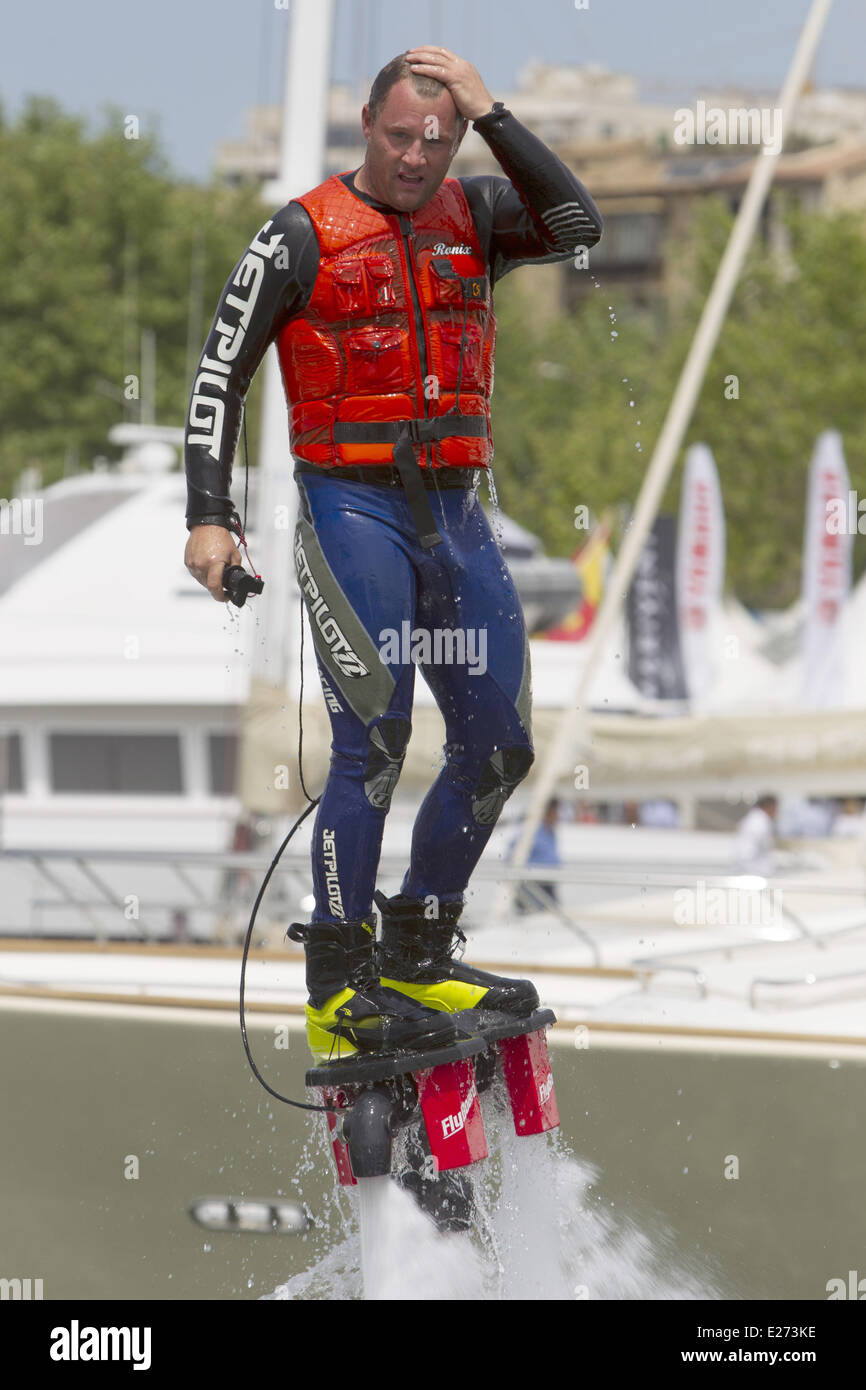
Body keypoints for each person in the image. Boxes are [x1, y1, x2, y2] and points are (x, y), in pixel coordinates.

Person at [183, 46, 603, 1062]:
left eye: (437, 138)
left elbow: (577, 223)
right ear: (363, 124)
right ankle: (337, 980)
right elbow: (218, 373)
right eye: (398, 135)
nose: (416, 156)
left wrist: (491, 110)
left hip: (455, 513)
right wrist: (210, 514)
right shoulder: (296, 234)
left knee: (498, 745)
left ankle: (419, 951)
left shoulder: (481, 213)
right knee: (370, 743)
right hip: (349, 507)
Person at [512, 798, 562, 913]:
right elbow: (512, 854)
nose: (558, 816)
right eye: (556, 812)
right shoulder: (531, 831)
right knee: (531, 918)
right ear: (548, 812)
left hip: (547, 883)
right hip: (531, 884)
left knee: (550, 918)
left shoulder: (550, 832)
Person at [733, 794, 778, 877]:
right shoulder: (760, 821)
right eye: (775, 808)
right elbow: (764, 844)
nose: (776, 812)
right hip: (753, 869)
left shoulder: (753, 818)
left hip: (748, 867)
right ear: (769, 805)